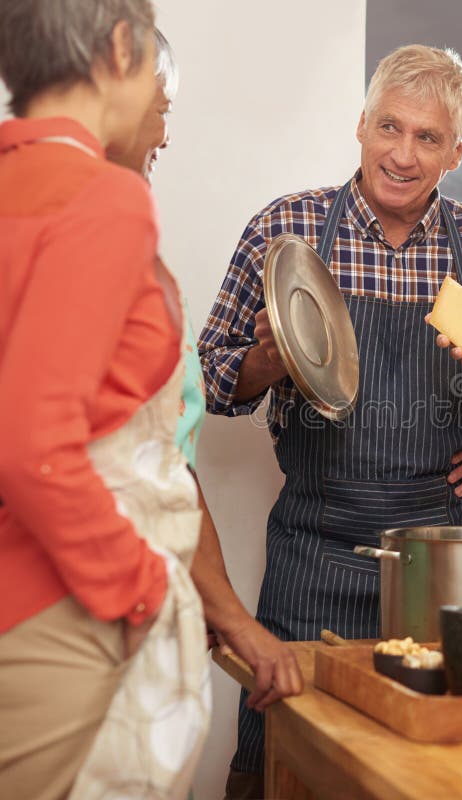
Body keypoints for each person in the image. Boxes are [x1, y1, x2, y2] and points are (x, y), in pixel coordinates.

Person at [199, 43, 462, 795]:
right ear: (361, 125)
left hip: (449, 555)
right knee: (286, 754)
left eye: (428, 137)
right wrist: (272, 359)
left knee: (443, 765)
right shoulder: (289, 231)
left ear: (457, 149)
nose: (403, 154)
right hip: (315, 550)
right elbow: (208, 378)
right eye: (390, 128)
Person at [0, 2, 209, 797]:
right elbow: (30, 442)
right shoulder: (103, 198)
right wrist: (139, 584)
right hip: (57, 607)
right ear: (123, 46)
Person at [108, 26, 303, 713]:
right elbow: (139, 467)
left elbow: (171, 465)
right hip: (92, 606)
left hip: (151, 588)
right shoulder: (90, 249)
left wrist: (213, 605)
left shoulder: (136, 249)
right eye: (161, 108)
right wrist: (240, 621)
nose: (165, 133)